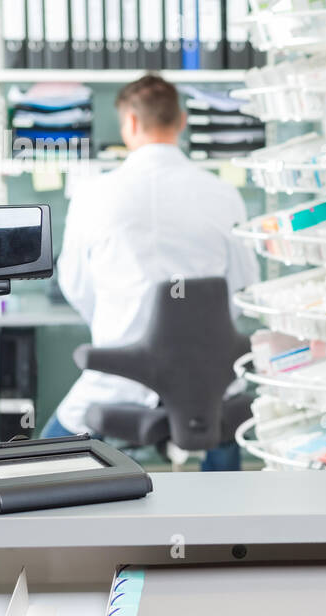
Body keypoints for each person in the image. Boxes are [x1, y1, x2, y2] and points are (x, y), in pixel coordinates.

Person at [41, 74, 260, 470]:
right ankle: (228, 523)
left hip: (122, 373)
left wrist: (118, 327)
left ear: (129, 125)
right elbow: (244, 287)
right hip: (209, 377)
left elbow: (75, 286)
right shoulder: (223, 194)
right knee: (223, 433)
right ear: (182, 121)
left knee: (44, 457)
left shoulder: (93, 194)